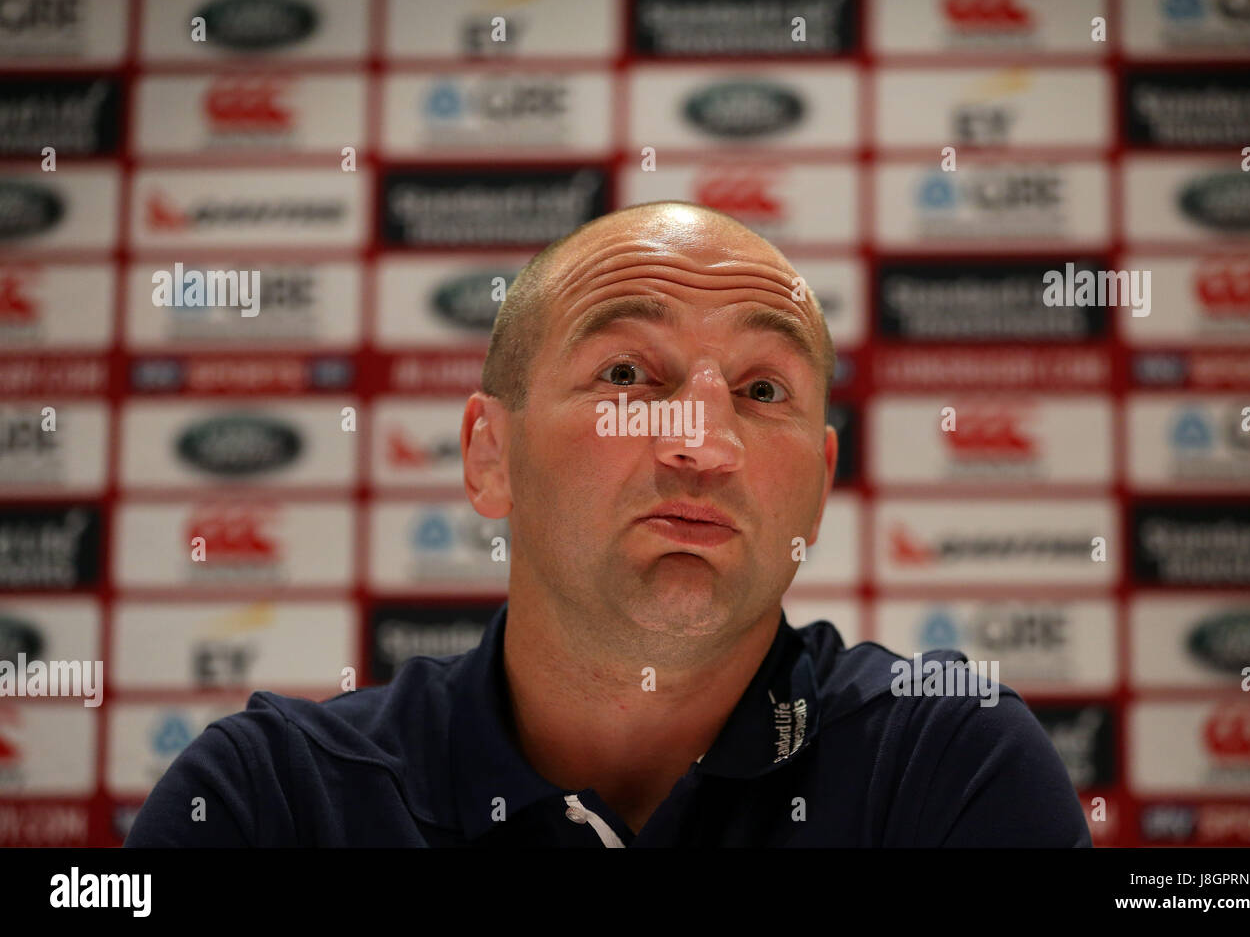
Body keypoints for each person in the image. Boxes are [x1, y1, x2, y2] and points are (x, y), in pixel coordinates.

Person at [125, 201, 1091, 847]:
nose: (704, 444)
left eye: (762, 389)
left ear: (821, 483)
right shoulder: (275, 806)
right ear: (488, 455)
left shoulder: (947, 766)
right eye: (629, 377)